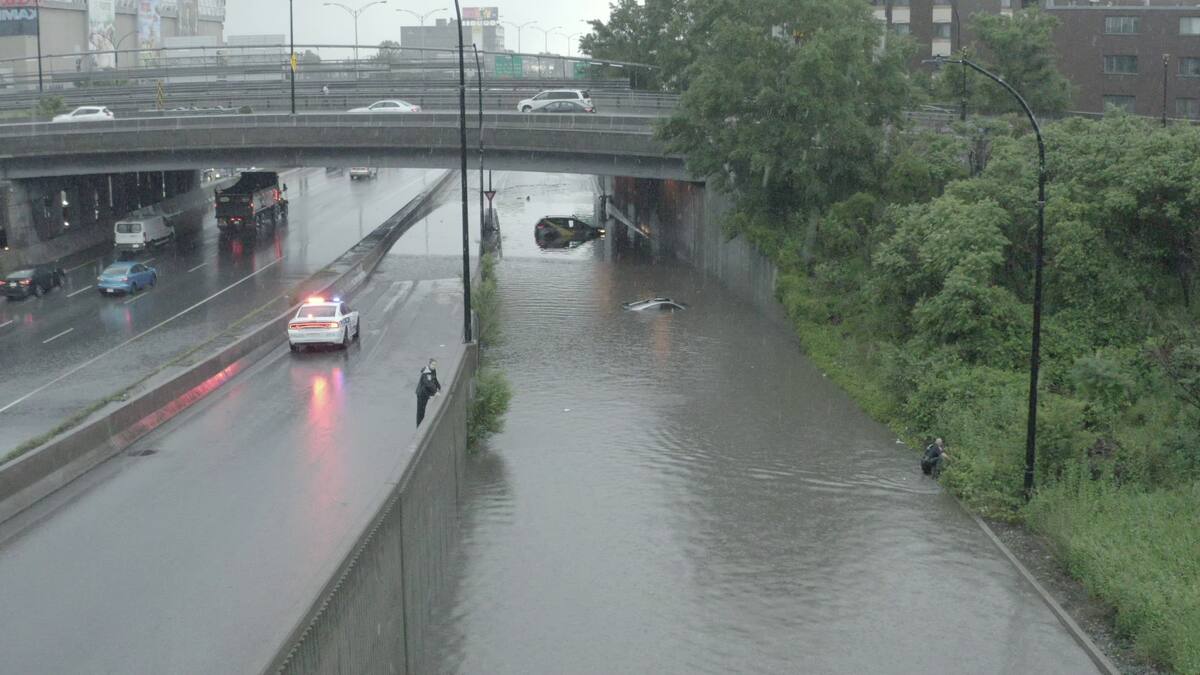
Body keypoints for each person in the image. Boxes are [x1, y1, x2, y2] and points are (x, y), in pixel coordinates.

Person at [415, 358, 442, 426]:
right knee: (420, 411)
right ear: (429, 364)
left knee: (423, 408)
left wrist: (439, 387)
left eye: (435, 365)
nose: (434, 366)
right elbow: (428, 383)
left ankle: (421, 423)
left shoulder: (433, 370)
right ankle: (419, 425)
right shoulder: (426, 373)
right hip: (421, 394)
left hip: (425, 393)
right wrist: (435, 391)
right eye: (432, 364)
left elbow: (435, 379)